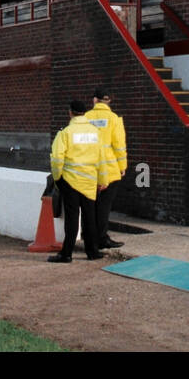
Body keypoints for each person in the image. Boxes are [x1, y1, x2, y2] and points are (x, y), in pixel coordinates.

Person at [48, 100, 110, 263]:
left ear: (71, 113)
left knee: (72, 218)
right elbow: (101, 160)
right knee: (90, 217)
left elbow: (56, 159)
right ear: (84, 113)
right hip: (90, 183)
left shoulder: (66, 133)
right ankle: (93, 251)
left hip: (70, 182)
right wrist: (103, 180)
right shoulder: (95, 133)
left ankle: (66, 253)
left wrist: (57, 178)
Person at [84, 87, 127, 249]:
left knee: (90, 205)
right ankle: (101, 238)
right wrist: (122, 166)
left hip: (88, 168)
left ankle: (89, 237)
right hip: (109, 170)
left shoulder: (85, 118)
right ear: (108, 101)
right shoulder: (114, 119)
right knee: (104, 206)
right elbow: (119, 146)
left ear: (94, 100)